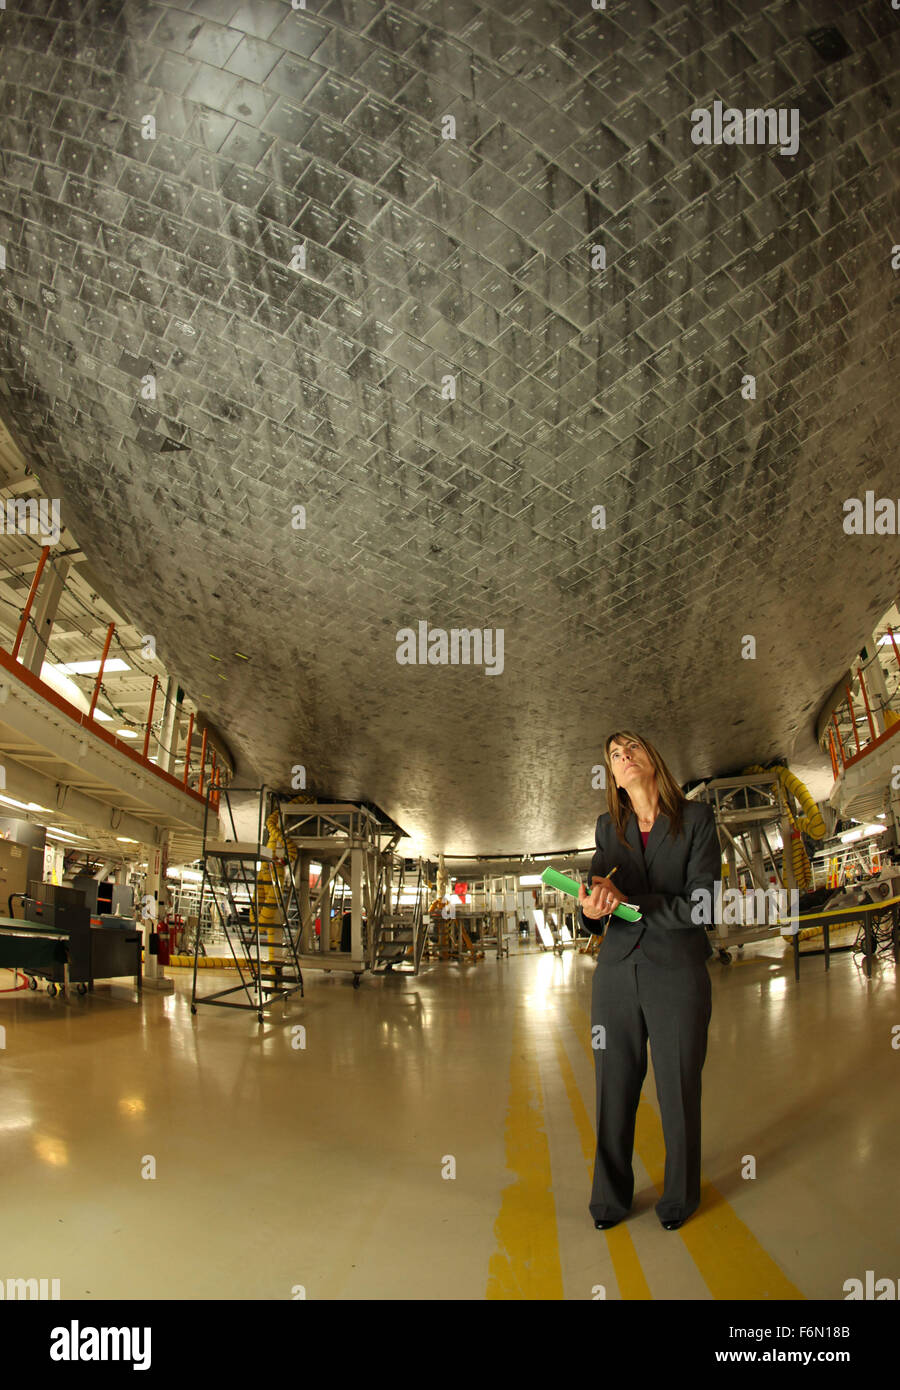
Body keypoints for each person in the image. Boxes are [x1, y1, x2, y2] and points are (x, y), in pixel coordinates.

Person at [577, 730, 721, 1231]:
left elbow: (703, 905)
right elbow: (599, 907)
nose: (624, 758)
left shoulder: (697, 820)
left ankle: (680, 1198)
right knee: (612, 1088)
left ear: (652, 757)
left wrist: (631, 905)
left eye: (632, 748)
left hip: (676, 972)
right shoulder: (606, 828)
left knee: (678, 1088)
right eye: (615, 755)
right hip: (616, 974)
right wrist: (592, 909)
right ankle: (609, 1201)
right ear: (612, 777)